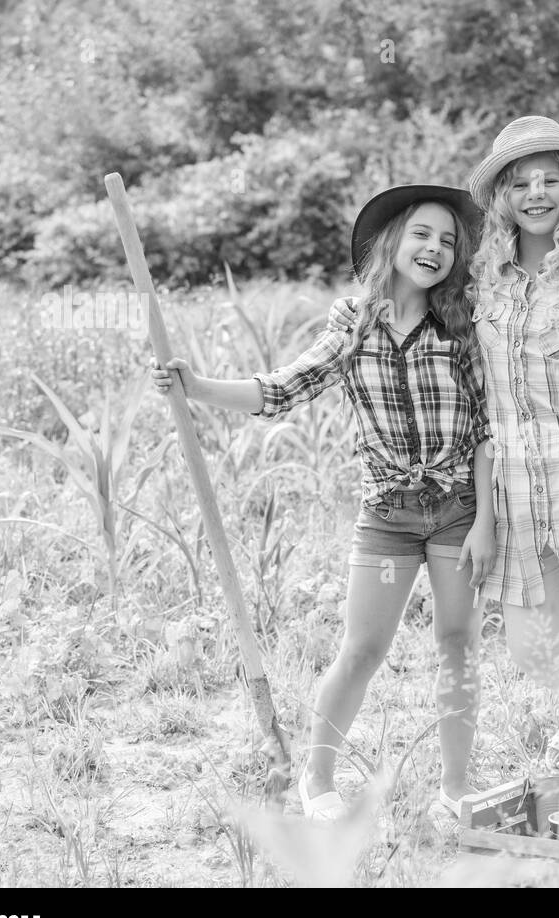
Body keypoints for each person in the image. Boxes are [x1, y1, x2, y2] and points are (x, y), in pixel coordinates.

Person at [331, 117, 559, 786]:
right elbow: (431, 341)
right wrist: (361, 310)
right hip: (510, 483)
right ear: (503, 198)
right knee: (531, 642)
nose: (537, 194)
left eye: (551, 182)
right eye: (521, 183)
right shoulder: (484, 290)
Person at [150, 185, 494, 819]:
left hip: (459, 512)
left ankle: (455, 788)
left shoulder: (463, 324)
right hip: (388, 516)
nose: (434, 248)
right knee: (362, 649)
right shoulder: (352, 323)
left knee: (456, 644)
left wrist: (488, 525)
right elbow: (282, 390)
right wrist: (195, 386)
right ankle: (317, 778)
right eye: (422, 233)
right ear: (392, 241)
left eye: (447, 241)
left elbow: (487, 431)